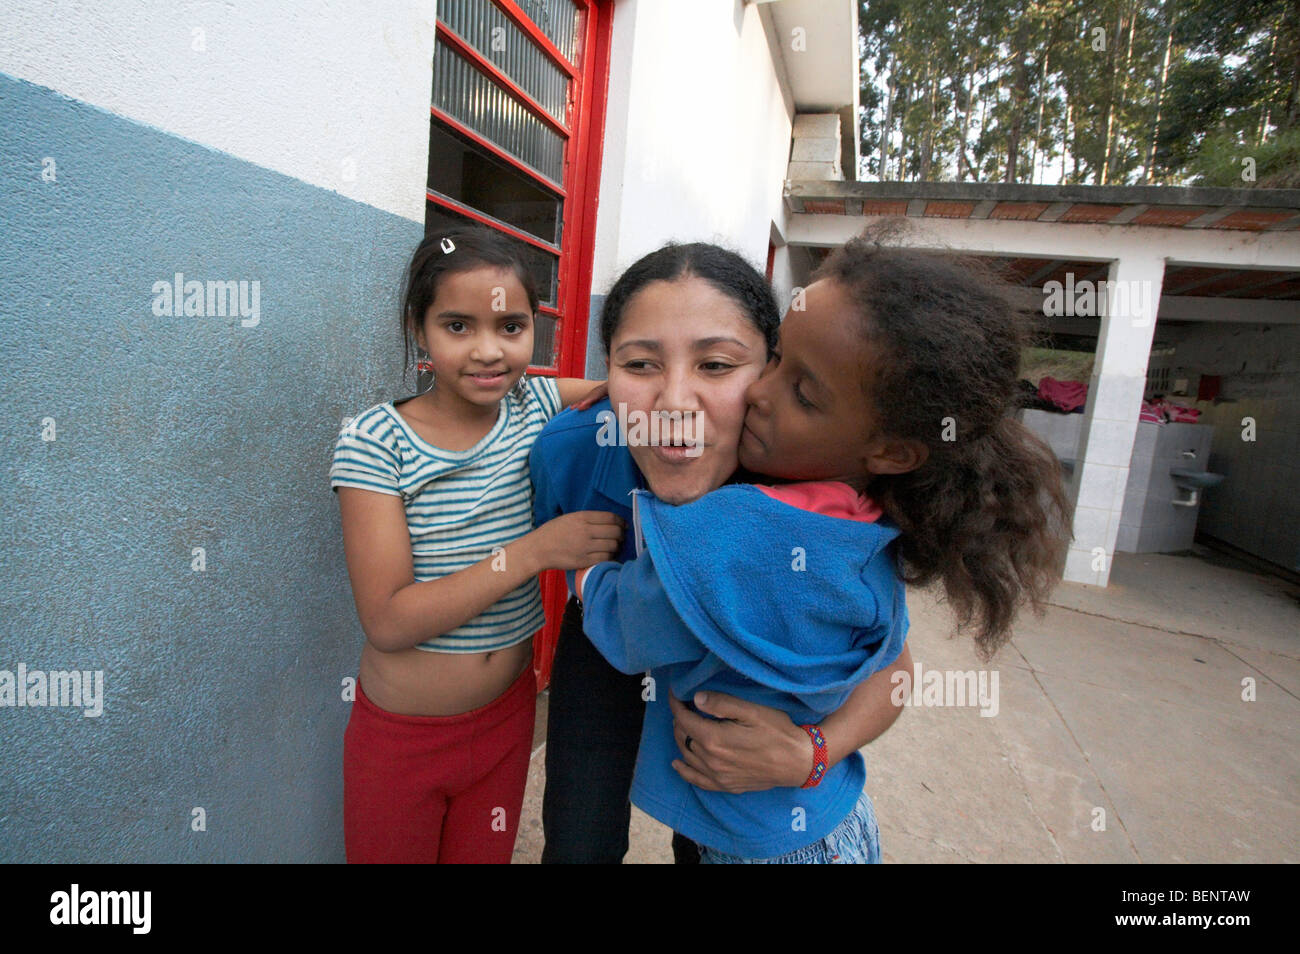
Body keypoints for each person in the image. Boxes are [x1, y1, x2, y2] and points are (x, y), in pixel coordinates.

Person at [572, 224, 1073, 862]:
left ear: (890, 450)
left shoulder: (744, 527)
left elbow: (632, 617)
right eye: (638, 363)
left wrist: (576, 569)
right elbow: (891, 664)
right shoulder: (856, 511)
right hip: (837, 819)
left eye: (722, 365)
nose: (759, 393)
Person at [530, 242, 915, 864]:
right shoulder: (572, 451)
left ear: (769, 374)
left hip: (722, 652)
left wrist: (811, 752)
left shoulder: (798, 473)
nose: (674, 403)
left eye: (715, 365)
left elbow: (891, 666)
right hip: (612, 612)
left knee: (712, 816)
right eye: (641, 364)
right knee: (579, 830)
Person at [329, 226, 620, 863]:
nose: (488, 352)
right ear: (419, 328)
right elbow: (388, 619)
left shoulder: (537, 402)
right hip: (403, 740)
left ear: (534, 328)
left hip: (508, 721)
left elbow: (628, 399)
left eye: (510, 326)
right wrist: (538, 550)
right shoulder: (377, 441)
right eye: (458, 326)